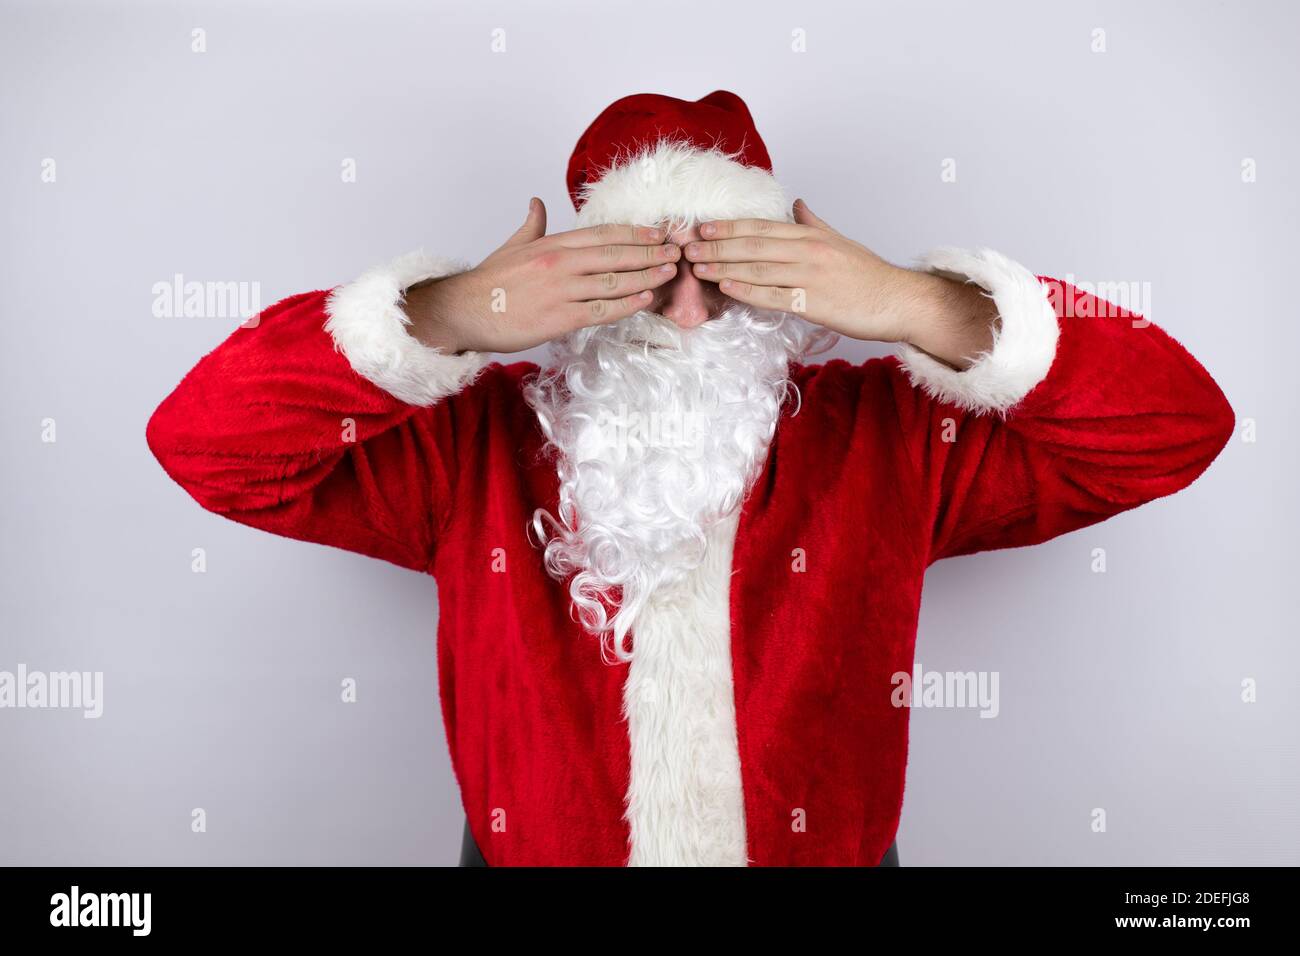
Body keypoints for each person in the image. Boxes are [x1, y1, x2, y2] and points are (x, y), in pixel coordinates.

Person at [146, 90, 1234, 866]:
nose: (687, 313)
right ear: (572, 280)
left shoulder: (890, 438)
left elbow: (1174, 429)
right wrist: (444, 314)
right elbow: (210, 446)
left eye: (723, 269)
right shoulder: (470, 446)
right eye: (640, 272)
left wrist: (922, 304)